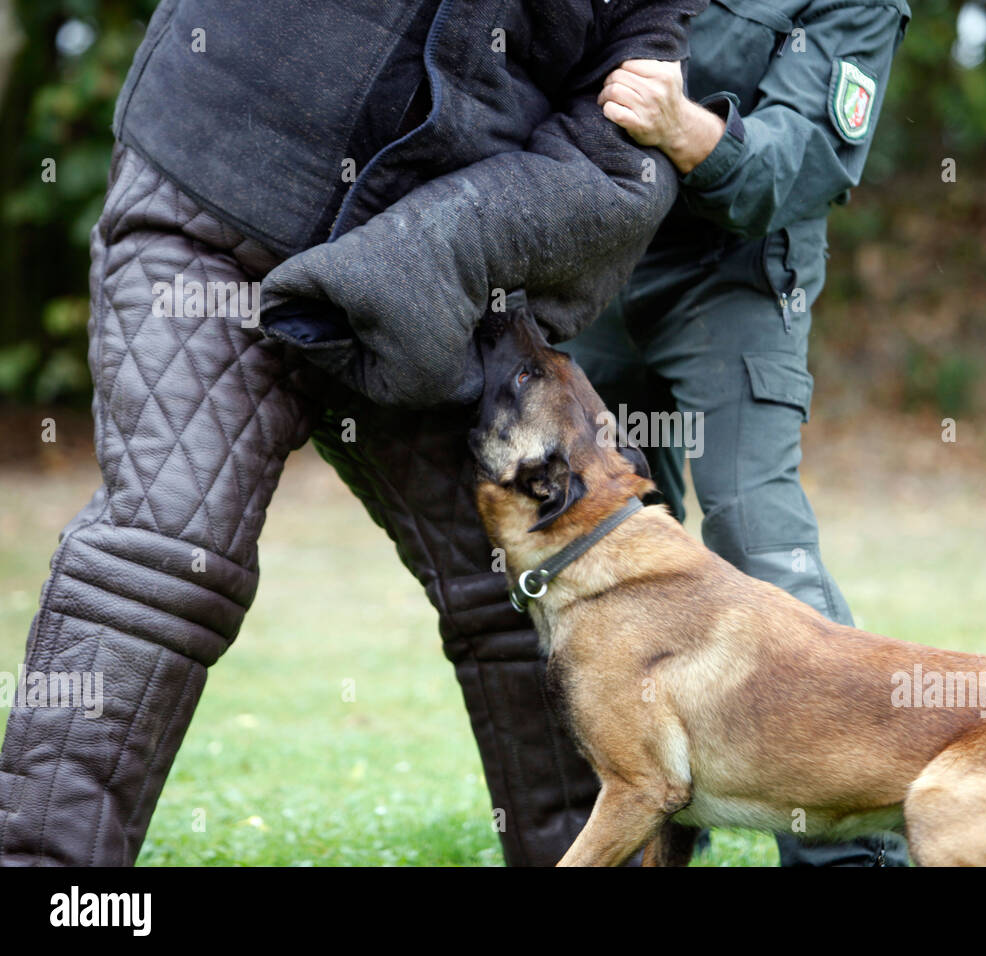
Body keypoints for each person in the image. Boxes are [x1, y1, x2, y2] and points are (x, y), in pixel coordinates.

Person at [0, 0, 706, 867]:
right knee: (162, 561)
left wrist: (425, 253)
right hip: (210, 206)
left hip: (430, 276)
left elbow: (622, 160)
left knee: (547, 572)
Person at [561, 0, 912, 865]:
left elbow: (803, 160)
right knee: (580, 548)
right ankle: (636, 828)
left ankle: (849, 856)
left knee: (760, 538)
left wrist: (686, 128)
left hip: (736, 273)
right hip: (597, 252)